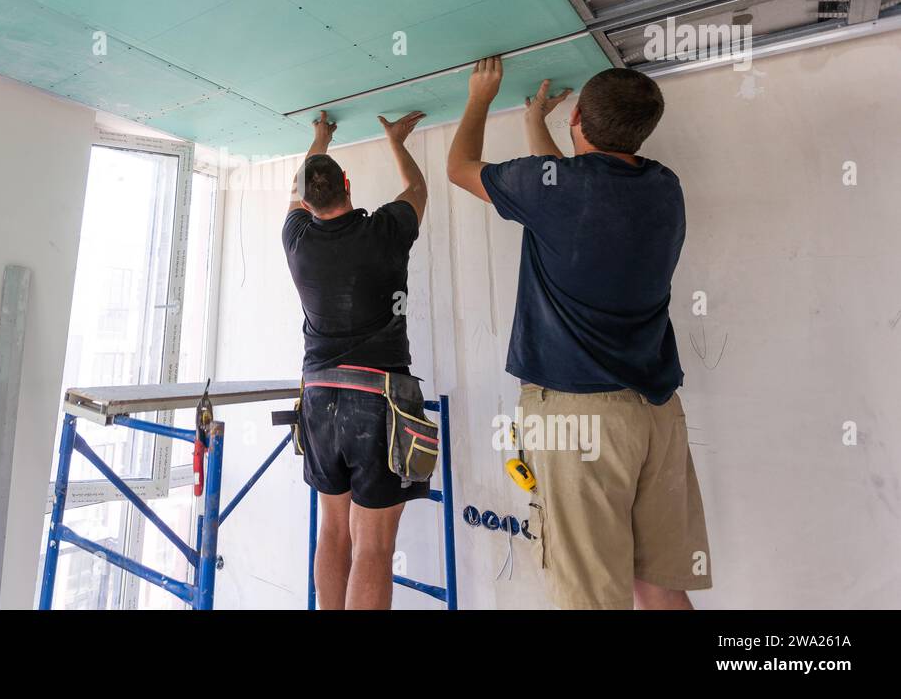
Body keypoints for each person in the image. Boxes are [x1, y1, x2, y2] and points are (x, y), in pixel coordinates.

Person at [446, 56, 711, 610]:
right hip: (656, 414)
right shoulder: (665, 188)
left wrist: (479, 97)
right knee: (659, 585)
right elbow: (570, 191)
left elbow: (460, 166)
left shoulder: (562, 192)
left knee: (589, 598)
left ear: (579, 120)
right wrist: (535, 123)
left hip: (580, 423)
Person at [283, 107, 429, 609]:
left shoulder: (296, 240)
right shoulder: (386, 229)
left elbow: (296, 191)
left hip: (319, 397)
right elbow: (418, 189)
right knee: (374, 546)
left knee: (334, 531)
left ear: (305, 200)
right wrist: (396, 142)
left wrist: (319, 137)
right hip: (379, 399)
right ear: (347, 183)